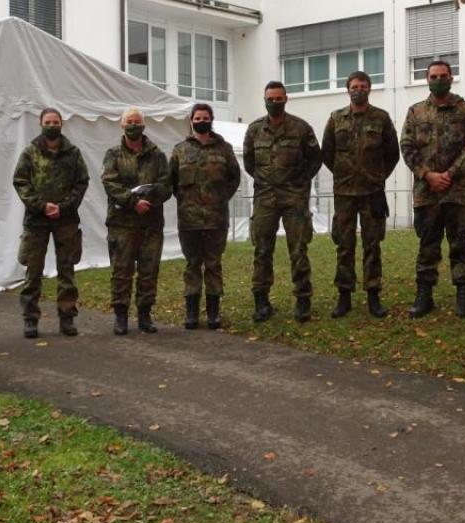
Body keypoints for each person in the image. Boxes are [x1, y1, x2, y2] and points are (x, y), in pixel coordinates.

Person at [399, 60, 465, 318]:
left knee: (460, 243)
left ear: (451, 77)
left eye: (443, 75)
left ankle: (464, 294)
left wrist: (449, 174)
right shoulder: (416, 112)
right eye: (433, 76)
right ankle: (424, 295)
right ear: (427, 79)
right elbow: (407, 146)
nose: (438, 80)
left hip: (458, 191)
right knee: (428, 245)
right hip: (427, 193)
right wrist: (428, 175)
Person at [320, 71, 400, 318]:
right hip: (345, 193)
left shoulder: (381, 118)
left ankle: (373, 295)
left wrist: (376, 176)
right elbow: (327, 153)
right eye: (354, 86)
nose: (359, 89)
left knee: (372, 245)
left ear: (369, 89)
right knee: (344, 245)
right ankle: (344, 295)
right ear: (347, 90)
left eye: (363, 86)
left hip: (372, 192)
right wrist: (346, 174)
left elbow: (392, 153)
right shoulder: (335, 119)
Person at [243, 81, 323, 322]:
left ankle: (302, 300)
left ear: (286, 99)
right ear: (264, 99)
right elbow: (249, 162)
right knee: (262, 250)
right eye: (271, 99)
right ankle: (261, 301)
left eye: (279, 99)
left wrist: (300, 181)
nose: (274, 102)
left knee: (298, 249)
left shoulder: (301, 128)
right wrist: (265, 180)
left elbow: (315, 158)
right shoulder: (254, 129)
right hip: (265, 198)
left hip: (294, 198)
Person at [12, 108, 88, 339]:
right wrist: (41, 206)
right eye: (48, 122)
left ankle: (67, 318)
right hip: (36, 221)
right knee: (33, 271)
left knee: (67, 270)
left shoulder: (73, 153)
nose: (52, 125)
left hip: (66, 220)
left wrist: (63, 206)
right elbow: (20, 181)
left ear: (61, 124)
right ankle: (30, 319)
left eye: (55, 122)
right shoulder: (30, 153)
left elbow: (82, 182)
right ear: (41, 123)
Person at [170, 103, 242, 330]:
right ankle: (191, 313)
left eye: (206, 117)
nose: (202, 121)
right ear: (191, 121)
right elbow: (171, 181)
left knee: (213, 265)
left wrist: (220, 199)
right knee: (192, 265)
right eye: (198, 118)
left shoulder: (224, 149)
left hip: (216, 219)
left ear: (212, 120)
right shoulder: (180, 150)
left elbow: (234, 178)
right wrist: (186, 201)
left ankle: (213, 313)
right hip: (189, 220)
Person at [102, 107, 173, 335]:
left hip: (151, 223)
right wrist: (133, 202)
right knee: (121, 271)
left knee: (149, 270)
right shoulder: (113, 154)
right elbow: (110, 183)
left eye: (137, 121)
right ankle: (120, 316)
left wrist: (150, 199)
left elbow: (166, 184)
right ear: (122, 126)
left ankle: (145, 314)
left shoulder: (157, 155)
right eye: (129, 122)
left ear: (143, 125)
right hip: (122, 224)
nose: (133, 125)